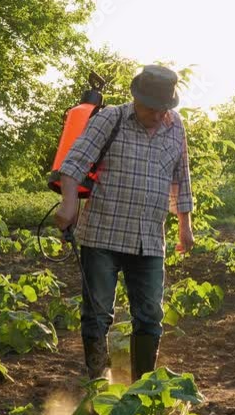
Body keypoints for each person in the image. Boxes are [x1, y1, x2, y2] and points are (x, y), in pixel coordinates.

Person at [54, 64, 194, 383]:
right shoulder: (111, 118)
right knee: (98, 315)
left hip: (148, 239)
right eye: (152, 108)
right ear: (137, 99)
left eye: (164, 108)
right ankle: (99, 384)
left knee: (150, 317)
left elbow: (180, 178)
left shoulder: (176, 127)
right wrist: (69, 203)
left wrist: (185, 225)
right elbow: (73, 163)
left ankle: (140, 388)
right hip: (102, 234)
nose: (158, 115)